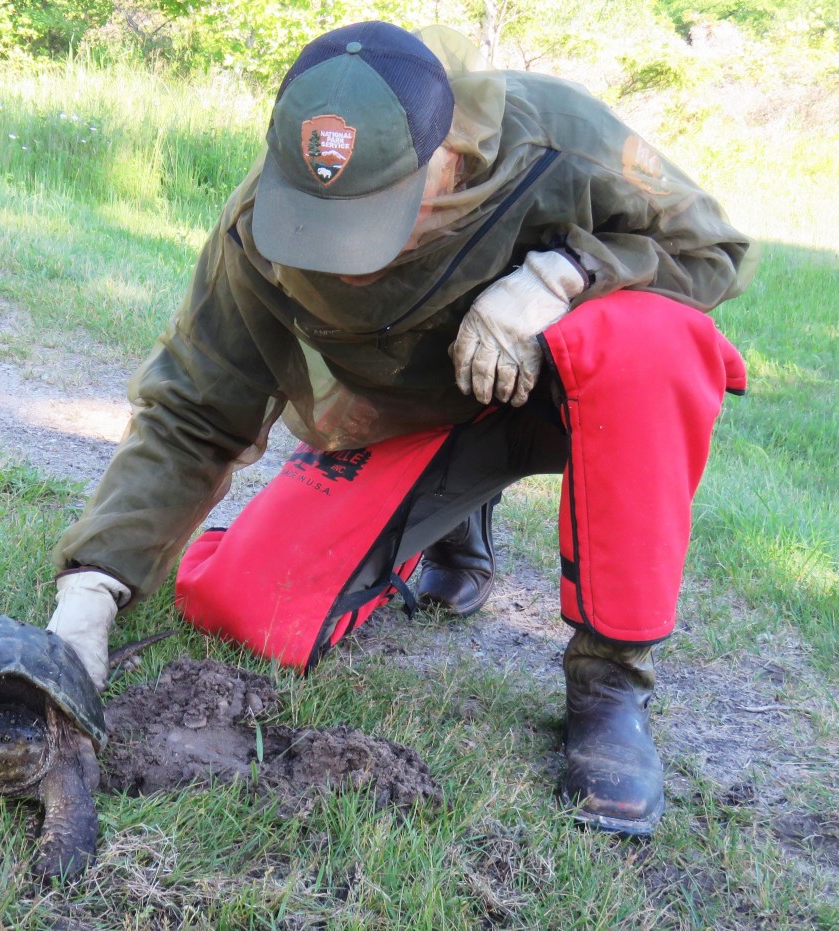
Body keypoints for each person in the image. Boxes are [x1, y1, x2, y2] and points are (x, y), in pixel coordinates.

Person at [45, 20, 754, 838]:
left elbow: (715, 252)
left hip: (577, 401)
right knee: (246, 608)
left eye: (375, 216)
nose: (345, 259)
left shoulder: (559, 139)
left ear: (448, 156)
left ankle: (610, 679)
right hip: (418, 420)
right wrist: (92, 590)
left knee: (655, 343)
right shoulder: (262, 223)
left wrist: (564, 274)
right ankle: (451, 519)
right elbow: (196, 406)